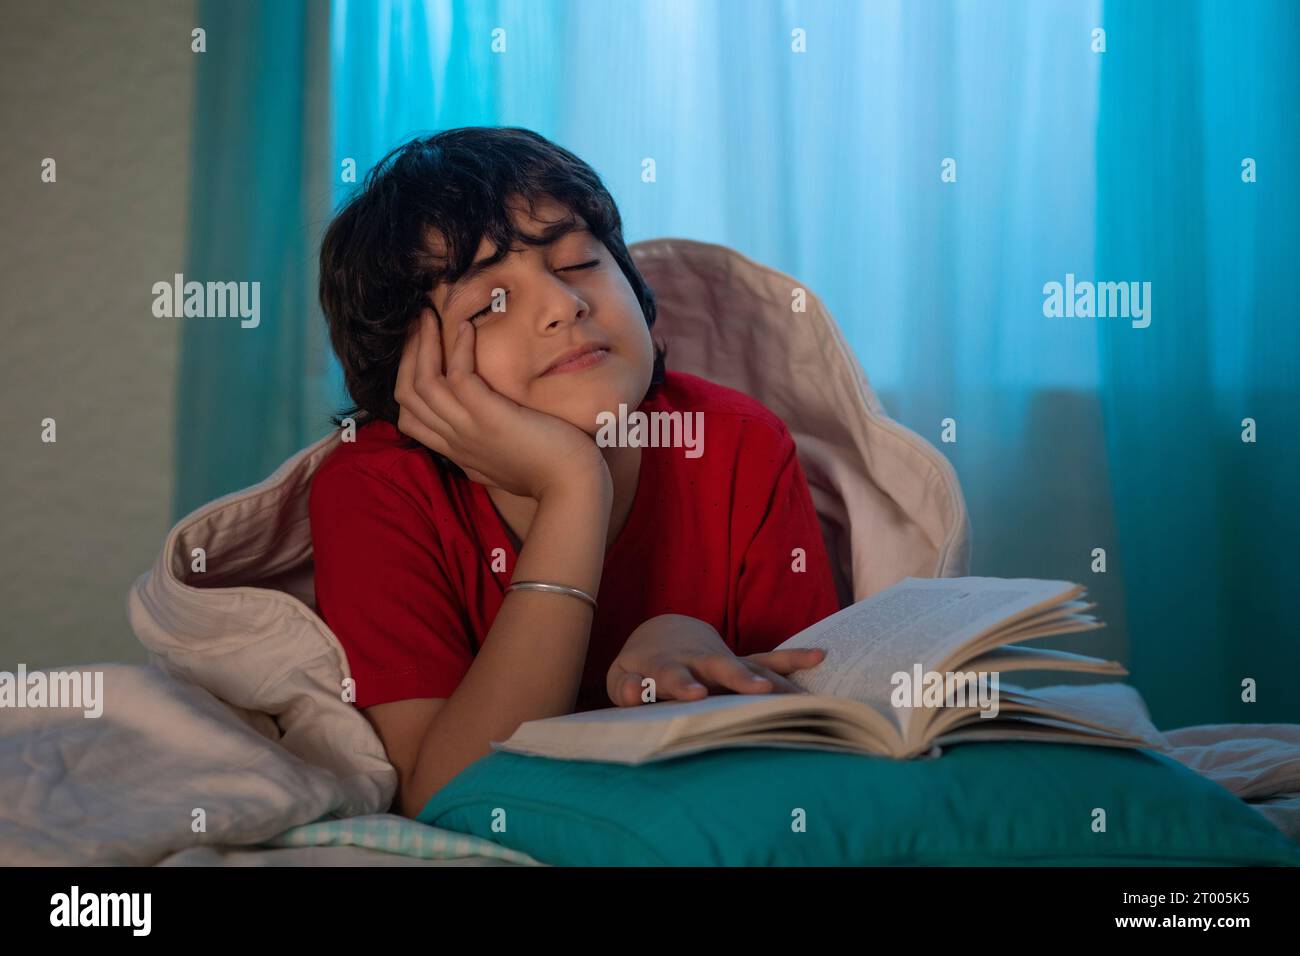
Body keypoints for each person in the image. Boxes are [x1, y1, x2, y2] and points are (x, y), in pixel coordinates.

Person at [311, 127, 839, 817]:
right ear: (415, 374)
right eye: (490, 303)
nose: (565, 306)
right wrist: (573, 488)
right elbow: (450, 797)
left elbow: (824, 725)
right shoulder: (373, 491)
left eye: (580, 263)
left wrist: (693, 653)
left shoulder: (737, 443)